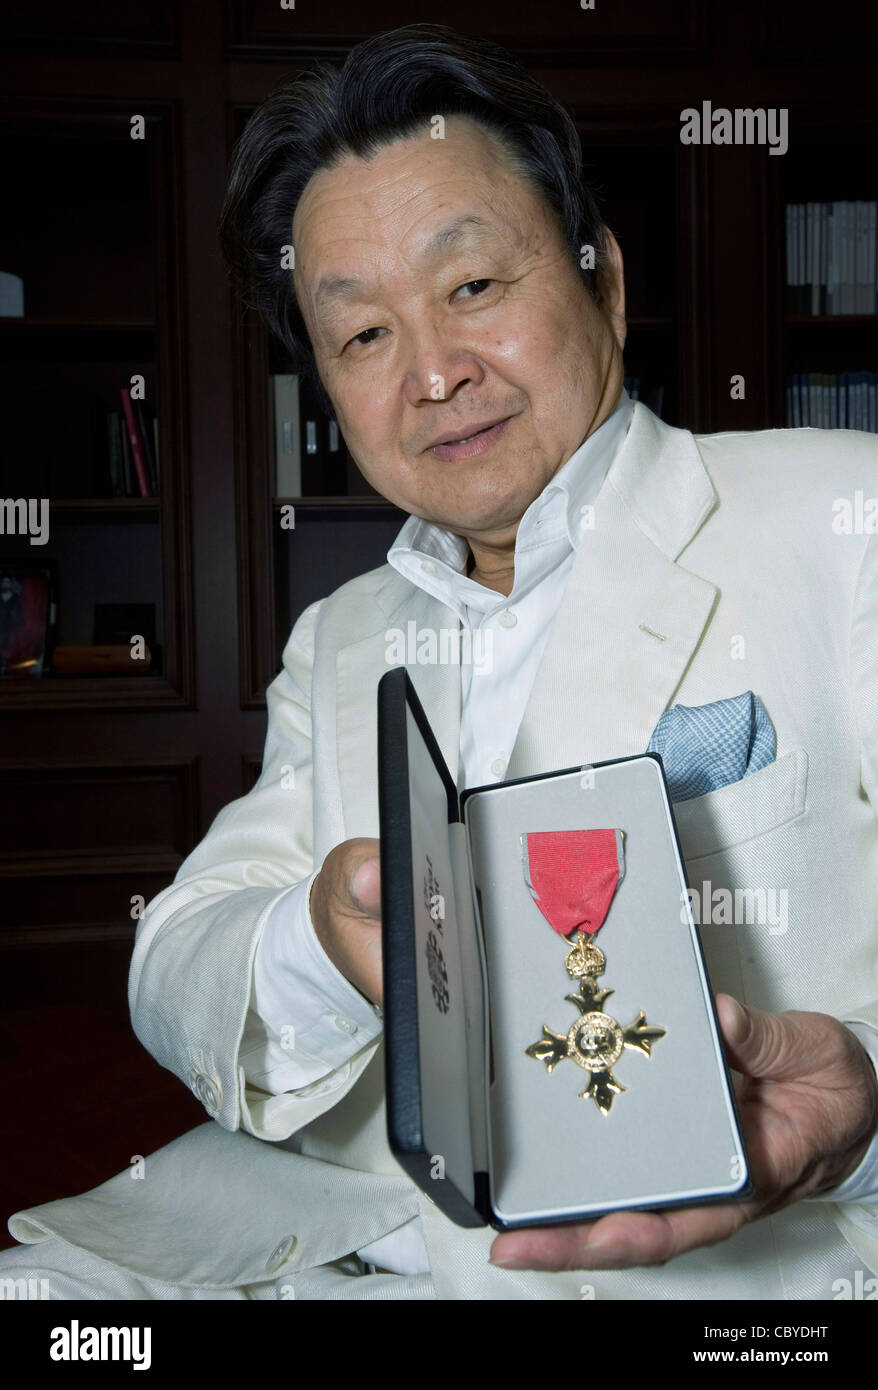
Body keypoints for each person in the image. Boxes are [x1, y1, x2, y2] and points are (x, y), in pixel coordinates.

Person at [3, 22, 878, 1301]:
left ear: (605, 284)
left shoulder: (842, 524)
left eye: (471, 287)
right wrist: (321, 939)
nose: (432, 373)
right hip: (338, 1248)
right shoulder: (343, 638)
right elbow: (177, 953)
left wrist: (859, 1132)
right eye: (360, 337)